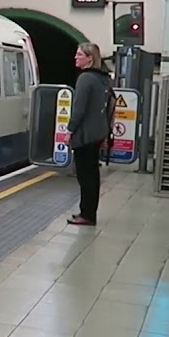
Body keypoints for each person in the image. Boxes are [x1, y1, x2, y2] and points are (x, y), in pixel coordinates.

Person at [67, 42, 114, 226]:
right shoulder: (103, 78)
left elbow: (79, 110)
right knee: (93, 175)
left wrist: (69, 130)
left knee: (85, 175)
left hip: (85, 135)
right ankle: (88, 212)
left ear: (89, 58)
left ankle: (86, 214)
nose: (75, 57)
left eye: (79, 54)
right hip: (98, 132)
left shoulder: (85, 79)